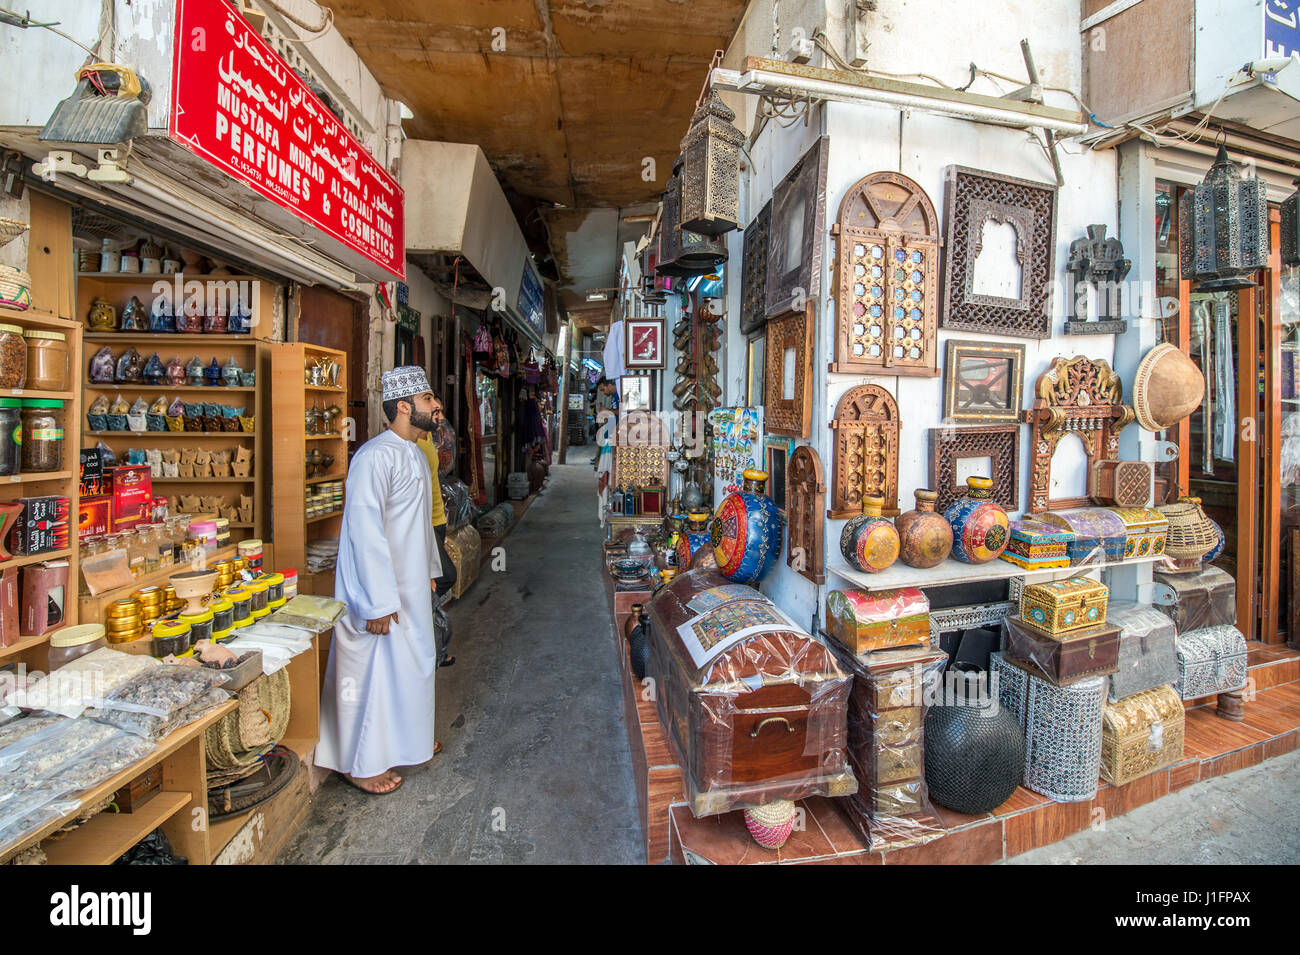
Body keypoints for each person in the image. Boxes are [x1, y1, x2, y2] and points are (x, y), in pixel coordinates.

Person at [316, 366, 444, 796]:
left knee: (412, 665)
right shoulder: (373, 456)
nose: (437, 405)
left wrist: (427, 570)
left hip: (409, 587)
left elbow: (419, 524)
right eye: (429, 399)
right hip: (379, 592)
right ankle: (359, 764)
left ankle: (408, 740)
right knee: (369, 676)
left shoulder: (415, 453)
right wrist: (376, 602)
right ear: (404, 407)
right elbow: (363, 534)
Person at [417, 418, 458, 668]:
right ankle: (424, 638)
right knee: (444, 577)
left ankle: (434, 650)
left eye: (440, 410)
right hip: (425, 524)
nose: (438, 414)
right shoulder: (413, 447)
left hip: (436, 519)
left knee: (432, 583)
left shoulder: (430, 441)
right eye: (432, 406)